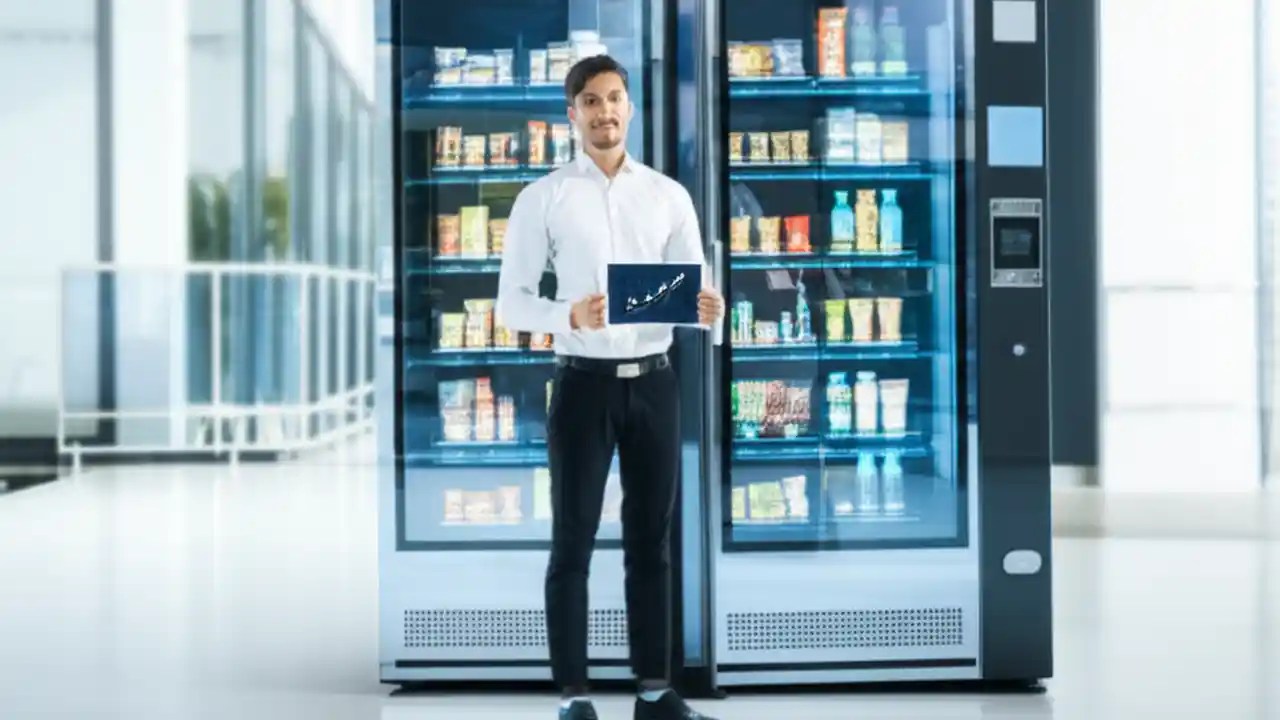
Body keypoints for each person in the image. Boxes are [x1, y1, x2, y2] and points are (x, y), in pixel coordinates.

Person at [495, 55, 723, 720]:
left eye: (615, 98)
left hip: (655, 383)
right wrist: (568, 314)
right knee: (573, 544)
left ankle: (654, 691)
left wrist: (710, 308)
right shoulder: (543, 198)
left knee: (651, 543)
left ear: (631, 107)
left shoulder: (667, 196)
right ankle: (574, 698)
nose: (605, 112)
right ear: (572, 114)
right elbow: (510, 304)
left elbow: (697, 292)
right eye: (590, 101)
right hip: (582, 386)